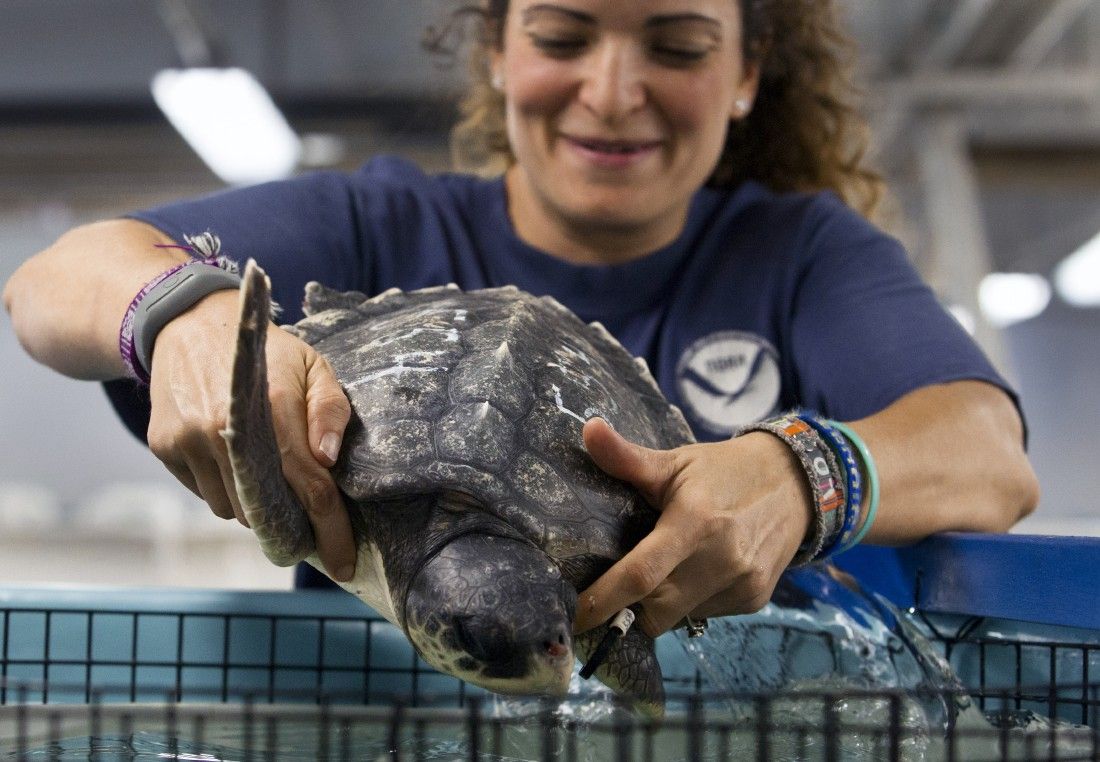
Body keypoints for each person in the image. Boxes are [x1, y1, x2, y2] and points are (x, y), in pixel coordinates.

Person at [4, 0, 1038, 641]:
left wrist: (799, 476)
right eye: (561, 35)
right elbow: (52, 282)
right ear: (497, 48)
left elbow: (987, 452)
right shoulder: (376, 225)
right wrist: (181, 318)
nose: (612, 90)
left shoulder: (800, 253)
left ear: (745, 74)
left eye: (674, 45)